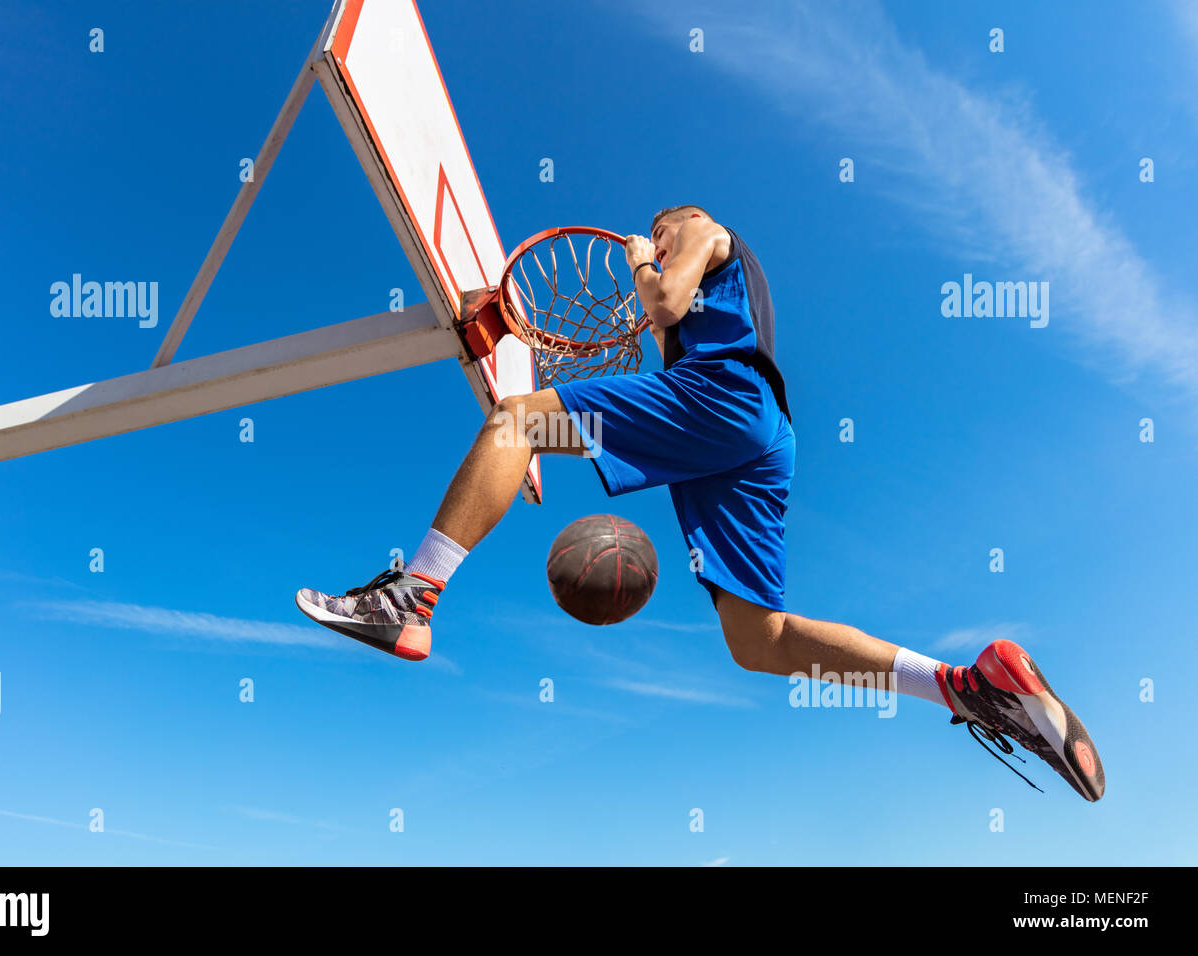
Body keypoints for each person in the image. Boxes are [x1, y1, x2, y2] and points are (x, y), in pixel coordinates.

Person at [296, 205, 1105, 802]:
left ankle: (414, 594)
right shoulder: (734, 289)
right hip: (749, 434)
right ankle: (969, 684)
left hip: (722, 401)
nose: (654, 229)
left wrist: (648, 258)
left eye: (660, 222)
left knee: (516, 423)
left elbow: (664, 306)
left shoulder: (697, 225)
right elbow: (668, 328)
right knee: (760, 641)